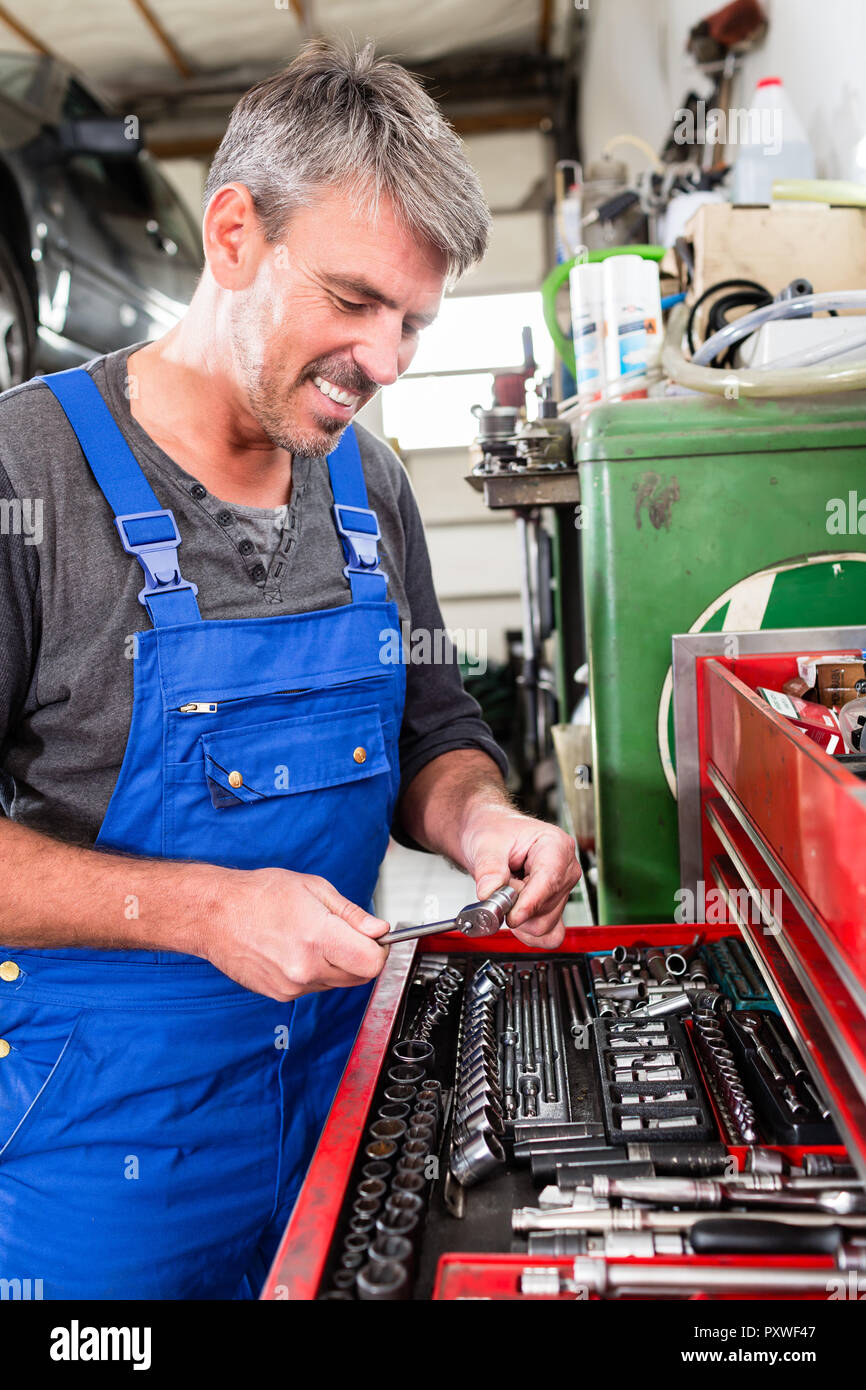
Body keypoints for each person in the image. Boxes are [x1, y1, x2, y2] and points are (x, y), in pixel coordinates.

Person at [0, 39, 579, 1299]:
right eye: (354, 300)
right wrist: (208, 911)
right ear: (231, 235)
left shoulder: (370, 486)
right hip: (96, 1162)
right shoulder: (23, 477)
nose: (384, 361)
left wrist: (480, 818)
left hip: (349, 1116)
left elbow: (431, 727)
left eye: (413, 322)